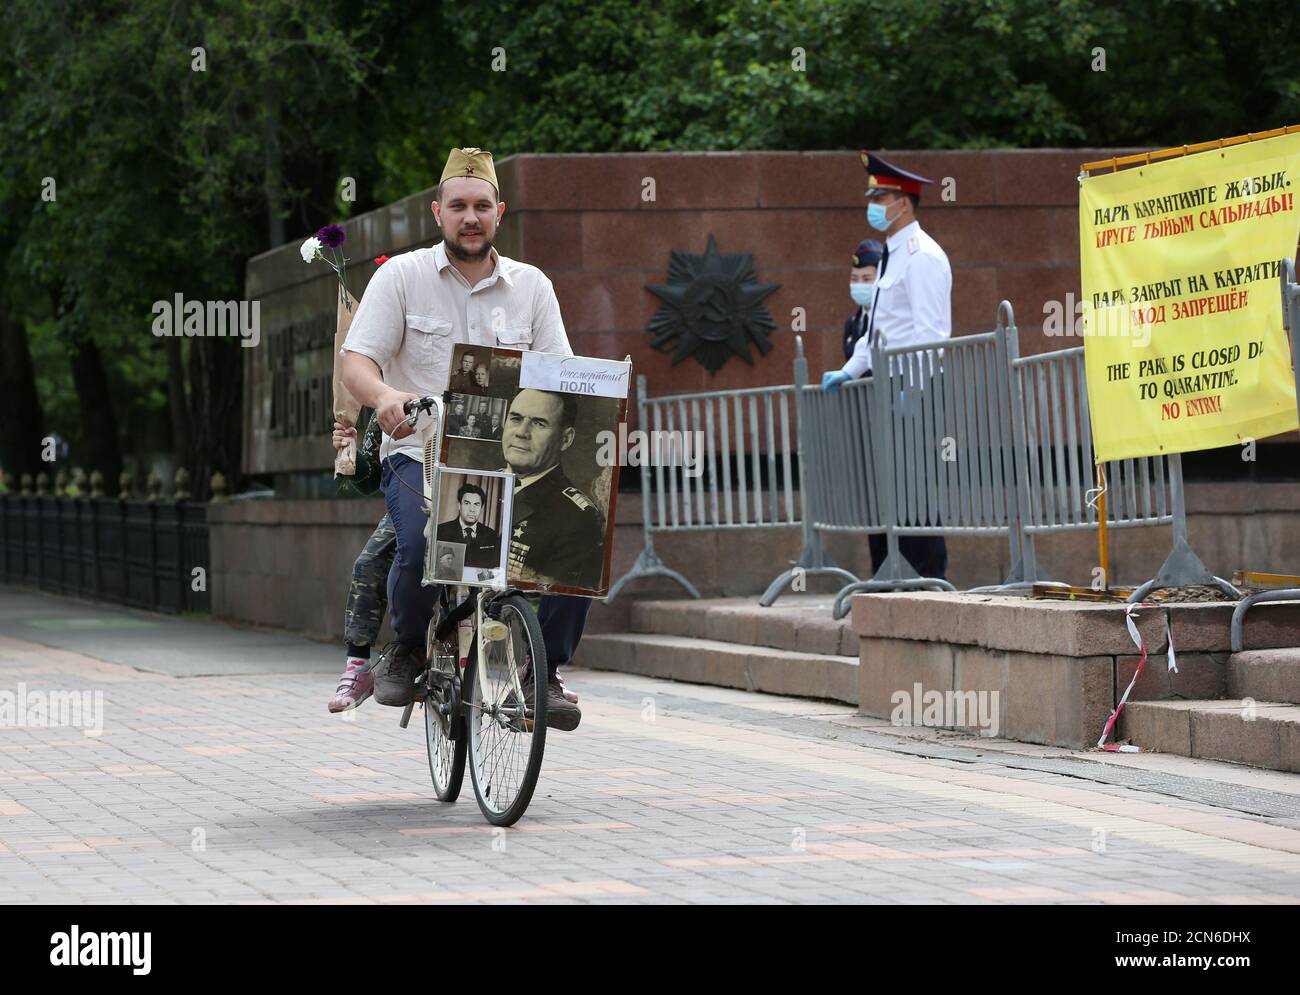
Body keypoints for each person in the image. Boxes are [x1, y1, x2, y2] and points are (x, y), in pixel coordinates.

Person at [339, 146, 587, 730]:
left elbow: (564, 375)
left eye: (481, 206)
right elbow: (357, 362)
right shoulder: (400, 277)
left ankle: (544, 671)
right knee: (427, 542)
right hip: (419, 450)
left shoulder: (532, 287)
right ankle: (407, 646)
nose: (469, 217)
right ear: (437, 213)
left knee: (577, 538)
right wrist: (384, 398)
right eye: (458, 206)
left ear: (499, 212)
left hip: (512, 459)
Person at [822, 151, 952, 580]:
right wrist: (851, 370)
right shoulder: (893, 256)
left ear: (905, 203)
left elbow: (930, 336)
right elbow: (877, 332)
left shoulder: (923, 255)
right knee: (884, 491)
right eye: (872, 196)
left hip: (910, 389)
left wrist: (911, 394)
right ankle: (887, 575)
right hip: (885, 386)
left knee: (913, 491)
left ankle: (924, 578)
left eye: (882, 197)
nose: (874, 205)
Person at [499, 389, 605, 590]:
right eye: (515, 418)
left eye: (539, 423)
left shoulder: (578, 518)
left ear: (565, 439)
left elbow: (553, 608)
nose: (522, 432)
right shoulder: (478, 483)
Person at [327, 414, 390, 713]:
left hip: (483, 499)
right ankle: (358, 664)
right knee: (368, 564)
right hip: (411, 506)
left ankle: (535, 667)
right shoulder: (387, 405)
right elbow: (372, 480)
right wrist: (350, 451)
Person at [435, 482, 501, 568]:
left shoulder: (492, 535)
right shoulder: (441, 530)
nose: (472, 510)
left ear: (481, 508)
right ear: (459, 505)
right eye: (467, 503)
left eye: (476, 504)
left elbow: (494, 571)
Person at [844, 239, 883, 362]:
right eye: (854, 279)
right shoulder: (852, 323)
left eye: (866, 279)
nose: (859, 284)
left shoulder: (890, 319)